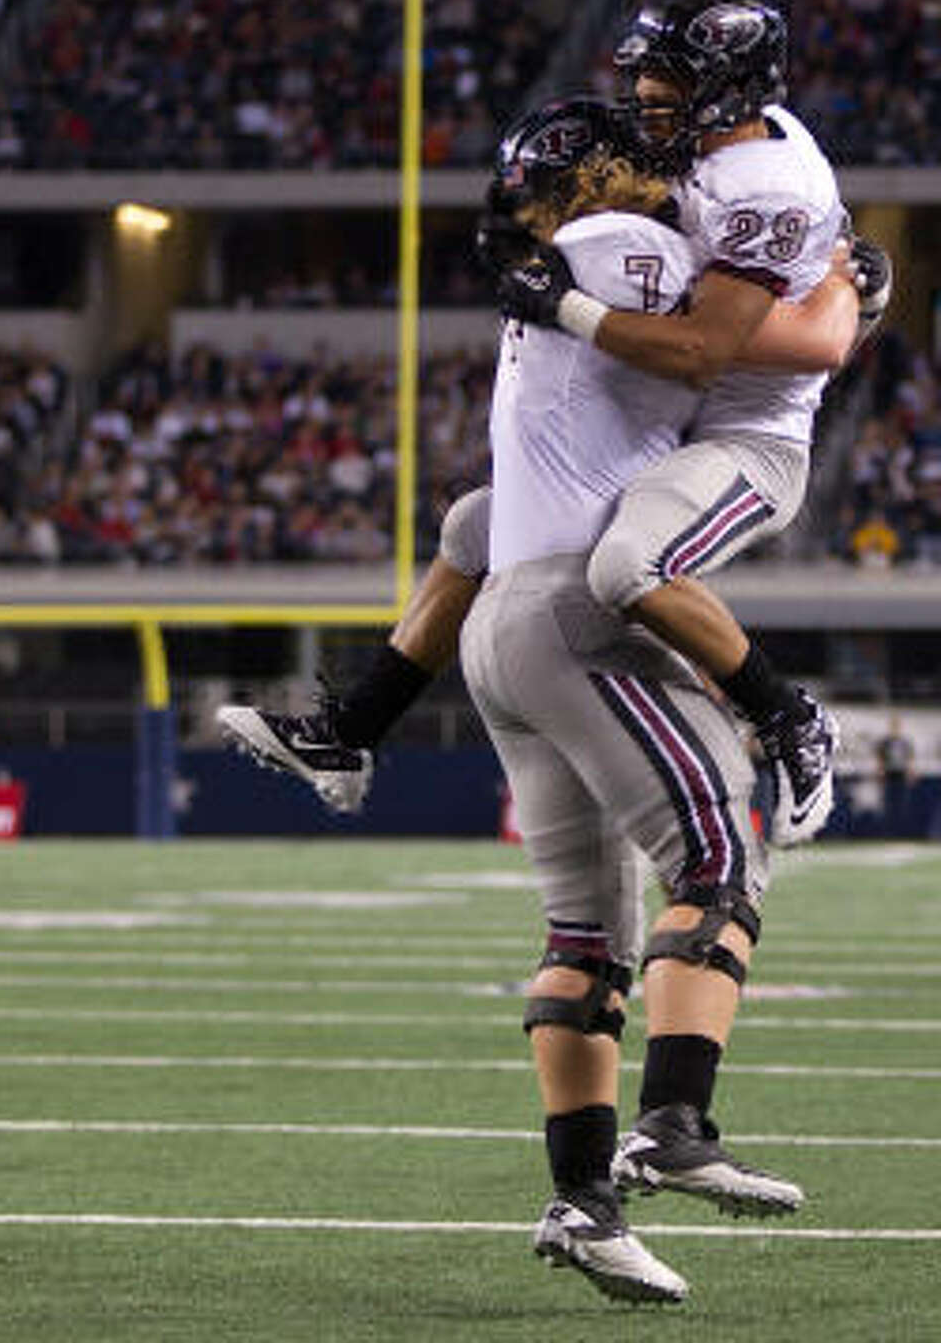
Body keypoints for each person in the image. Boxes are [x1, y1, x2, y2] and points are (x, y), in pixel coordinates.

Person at [239, 100, 803, 1304]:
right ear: (603, 175)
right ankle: (674, 1120)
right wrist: (833, 270)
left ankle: (585, 1201)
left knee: (582, 939)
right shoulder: (622, 252)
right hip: (578, 619)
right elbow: (716, 343)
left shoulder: (558, 272)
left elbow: (484, 510)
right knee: (717, 850)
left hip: (500, 624)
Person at [219, 0, 891, 837]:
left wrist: (564, 301)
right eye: (644, 83)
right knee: (472, 528)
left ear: (729, 89)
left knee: (626, 569)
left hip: (747, 437)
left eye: (670, 86)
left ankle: (789, 716)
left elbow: (714, 347)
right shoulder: (731, 152)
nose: (647, 107)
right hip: (680, 416)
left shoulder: (757, 185)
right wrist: (854, 285)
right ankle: (352, 733)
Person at [876, 713, 915, 835]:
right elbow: (880, 758)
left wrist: (910, 771)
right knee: (888, 801)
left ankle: (902, 829)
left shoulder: (904, 742)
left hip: (901, 772)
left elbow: (909, 759)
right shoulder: (885, 742)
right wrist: (880, 770)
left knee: (902, 801)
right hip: (889, 772)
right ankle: (888, 830)